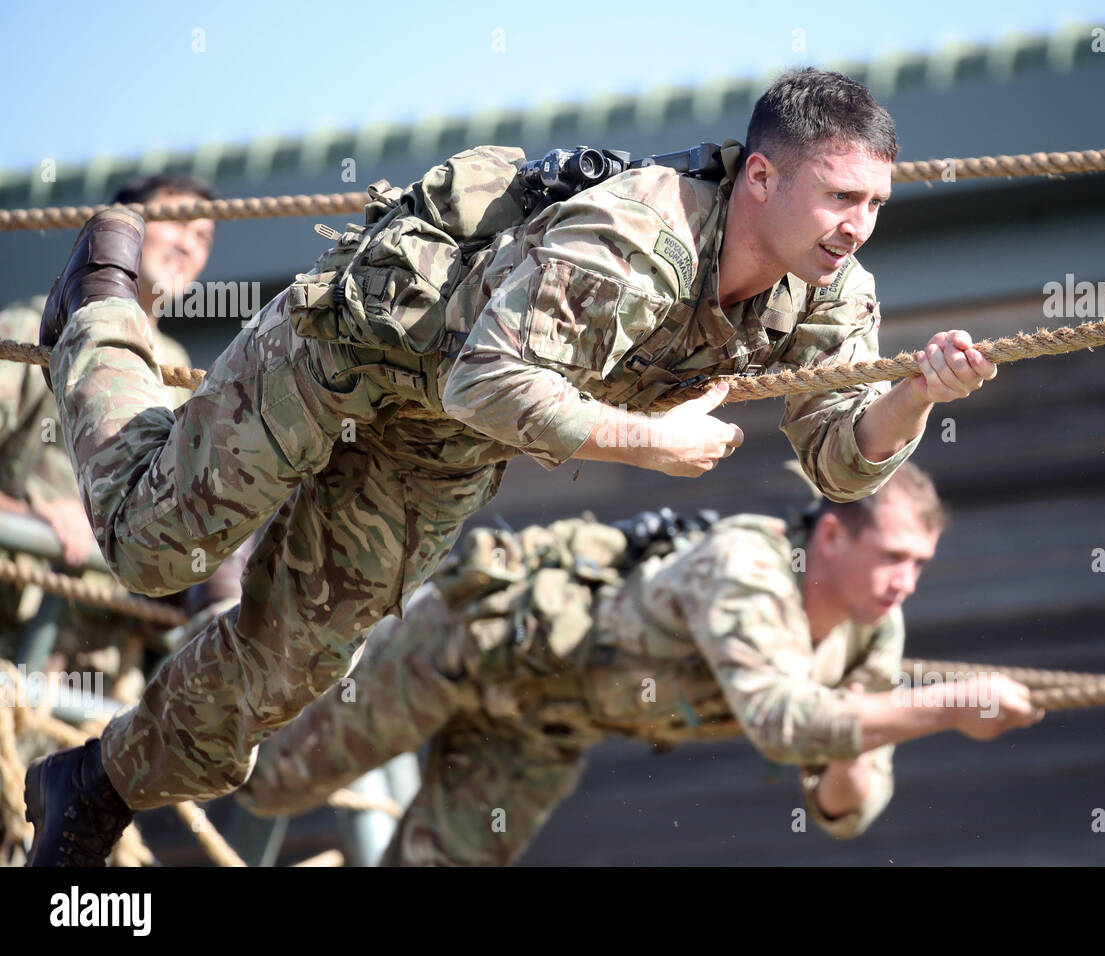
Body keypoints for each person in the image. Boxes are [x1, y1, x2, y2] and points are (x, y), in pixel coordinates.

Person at [24, 68, 998, 866]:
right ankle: (100, 304)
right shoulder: (639, 236)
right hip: (361, 345)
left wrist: (913, 394)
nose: (855, 226)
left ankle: (98, 782)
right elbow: (490, 378)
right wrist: (648, 443)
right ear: (758, 179)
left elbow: (837, 462)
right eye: (837, 196)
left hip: (446, 441)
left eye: (873, 202)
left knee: (294, 661)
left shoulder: (833, 295)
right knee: (154, 549)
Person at [236, 464, 1043, 865]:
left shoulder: (873, 630)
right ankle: (218, 612)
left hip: (544, 729)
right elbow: (782, 723)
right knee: (269, 783)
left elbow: (844, 806)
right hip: (464, 649)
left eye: (921, 566)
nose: (906, 582)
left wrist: (864, 758)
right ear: (831, 535)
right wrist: (948, 707)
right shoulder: (750, 565)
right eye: (894, 556)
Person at [0, 173, 216, 668]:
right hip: (13, 646)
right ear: (126, 223)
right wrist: (34, 521)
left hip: (107, 673)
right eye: (176, 220)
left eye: (203, 237)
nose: (188, 243)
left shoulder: (186, 374)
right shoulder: (34, 330)